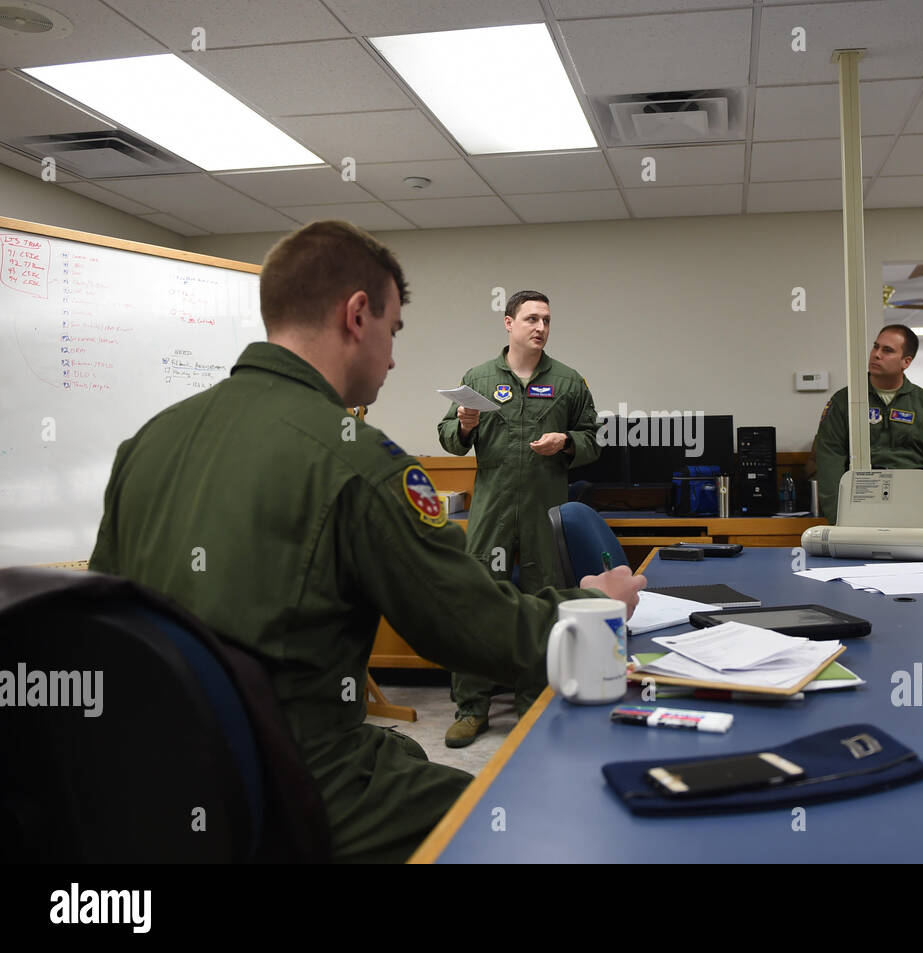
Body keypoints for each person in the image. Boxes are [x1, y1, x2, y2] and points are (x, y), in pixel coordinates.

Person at [88, 221, 644, 861]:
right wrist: (594, 608)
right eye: (394, 330)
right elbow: (470, 624)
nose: (394, 356)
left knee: (402, 750)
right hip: (291, 778)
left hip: (155, 779)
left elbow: (114, 624)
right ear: (357, 315)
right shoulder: (358, 461)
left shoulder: (149, 441)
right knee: (511, 822)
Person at [437, 291, 600, 746]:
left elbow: (592, 440)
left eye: (546, 320)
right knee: (477, 604)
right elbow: (450, 439)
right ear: (508, 323)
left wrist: (566, 442)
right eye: (531, 318)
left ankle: (533, 705)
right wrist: (466, 425)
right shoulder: (479, 378)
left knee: (543, 603)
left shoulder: (569, 381)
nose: (540, 327)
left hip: (544, 512)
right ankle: (472, 708)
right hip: (491, 510)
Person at [814, 324, 923, 524]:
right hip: (860, 506)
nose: (876, 355)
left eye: (887, 350)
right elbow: (829, 460)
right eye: (876, 347)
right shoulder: (845, 401)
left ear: (906, 362)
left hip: (914, 507)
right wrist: (839, 520)